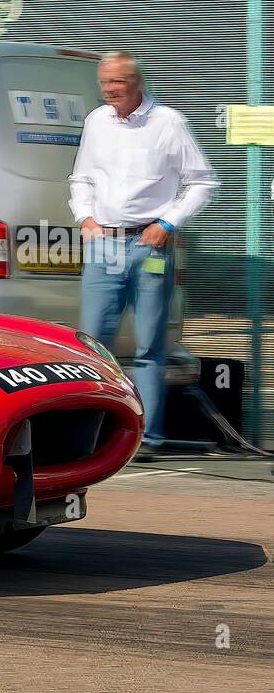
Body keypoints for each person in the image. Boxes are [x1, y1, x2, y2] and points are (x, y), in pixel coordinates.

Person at [69, 51, 219, 461]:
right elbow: (81, 176)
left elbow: (204, 183)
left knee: (150, 346)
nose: (108, 90)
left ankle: (146, 439)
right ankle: (91, 435)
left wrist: (167, 224)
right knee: (92, 345)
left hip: (149, 246)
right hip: (103, 245)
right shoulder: (96, 121)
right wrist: (84, 218)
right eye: (103, 83)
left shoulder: (167, 123)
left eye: (116, 83)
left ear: (137, 82)